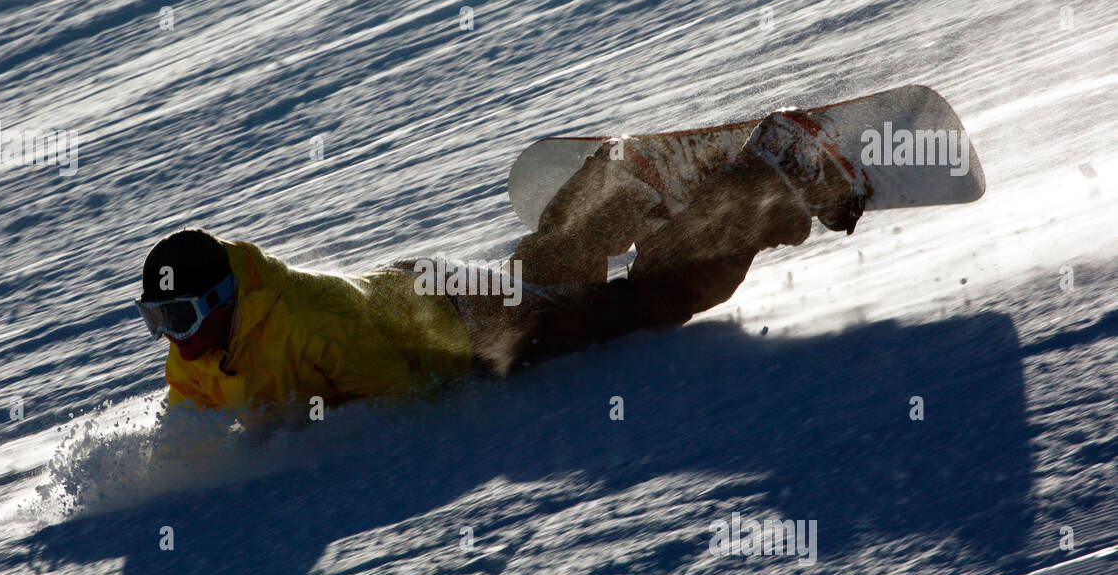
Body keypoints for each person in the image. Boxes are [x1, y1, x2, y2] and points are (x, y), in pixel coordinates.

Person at [136, 110, 866, 414]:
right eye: (158, 320)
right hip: (423, 287)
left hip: (458, 324)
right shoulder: (197, 352)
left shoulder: (309, 323)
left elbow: (408, 404)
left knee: (632, 310)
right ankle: (620, 189)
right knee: (546, 277)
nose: (176, 334)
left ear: (228, 297)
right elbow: (191, 419)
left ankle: (769, 177)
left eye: (184, 313)